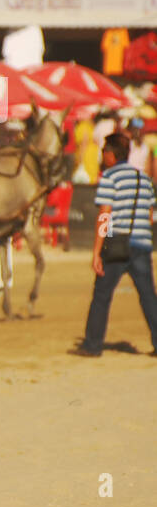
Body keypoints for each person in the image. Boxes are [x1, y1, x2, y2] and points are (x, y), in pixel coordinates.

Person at [70, 132, 157, 356]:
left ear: (111, 154)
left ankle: (92, 344)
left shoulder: (109, 177)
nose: (102, 155)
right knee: (148, 296)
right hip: (142, 244)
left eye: (104, 151)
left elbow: (104, 216)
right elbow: (149, 215)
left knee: (101, 295)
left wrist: (97, 251)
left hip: (117, 244)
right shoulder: (144, 179)